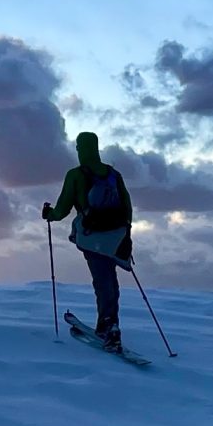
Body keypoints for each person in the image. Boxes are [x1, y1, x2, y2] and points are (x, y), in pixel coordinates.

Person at [42, 130, 133, 345]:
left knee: (101, 280)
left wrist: (50, 215)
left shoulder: (76, 174)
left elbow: (63, 208)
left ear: (80, 149)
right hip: (116, 235)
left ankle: (108, 325)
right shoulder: (113, 174)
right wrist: (125, 231)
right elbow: (127, 205)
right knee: (110, 280)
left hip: (92, 236)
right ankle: (112, 322)